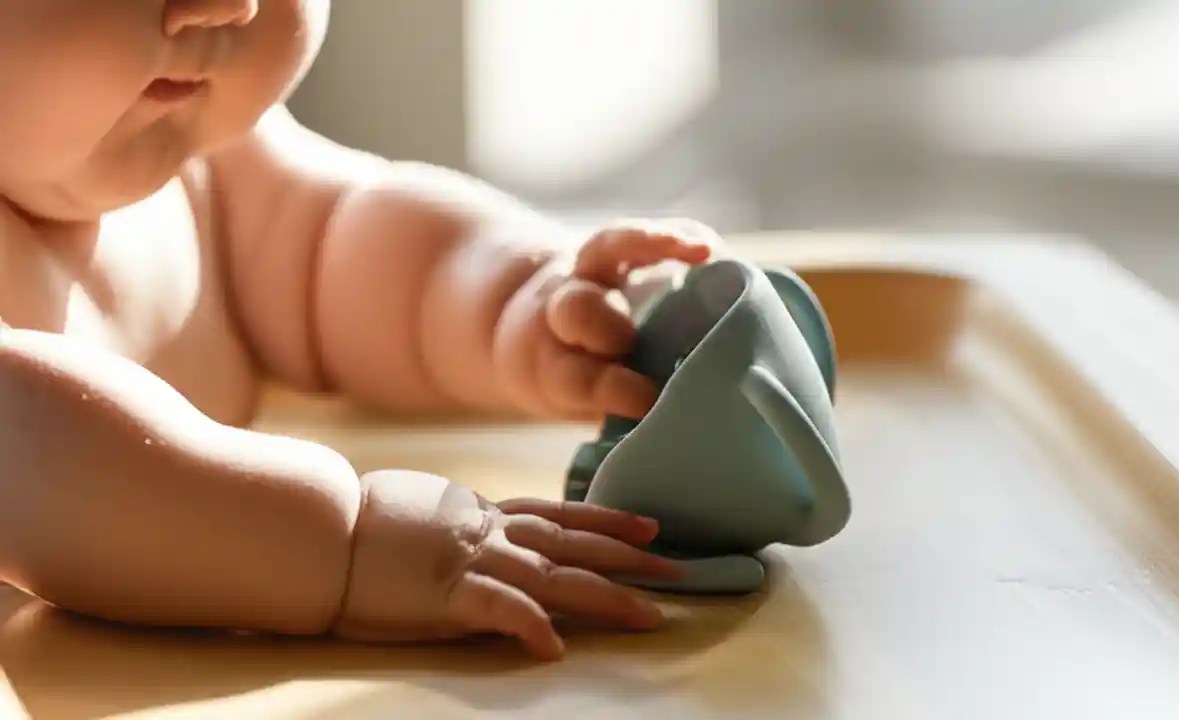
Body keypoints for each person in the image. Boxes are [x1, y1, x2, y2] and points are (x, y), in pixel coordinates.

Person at [0, 0, 723, 661]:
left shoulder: (203, 165)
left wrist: (517, 303)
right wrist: (341, 540)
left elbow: (333, 249)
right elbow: (24, 455)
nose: (231, 4)